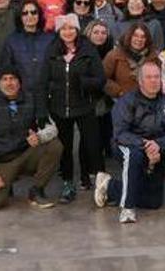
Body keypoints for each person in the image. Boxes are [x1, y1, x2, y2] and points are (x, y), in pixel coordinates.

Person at [93, 60, 165, 224]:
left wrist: (158, 146)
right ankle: (127, 208)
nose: (154, 81)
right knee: (133, 156)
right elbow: (120, 133)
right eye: (149, 77)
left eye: (156, 77)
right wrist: (145, 145)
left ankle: (109, 185)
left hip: (156, 150)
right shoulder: (127, 101)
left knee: (153, 202)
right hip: (128, 146)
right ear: (140, 81)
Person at [0, 67, 62, 210]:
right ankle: (7, 184)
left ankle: (36, 191)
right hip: (2, 160)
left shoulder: (32, 100)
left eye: (13, 79)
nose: (9, 83)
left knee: (54, 146)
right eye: (5, 79)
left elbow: (52, 129)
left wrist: (39, 137)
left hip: (25, 154)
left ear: (20, 82)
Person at [45, 14, 106, 201]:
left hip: (84, 105)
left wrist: (84, 83)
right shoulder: (52, 50)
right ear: (59, 31)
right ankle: (68, 183)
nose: (68, 32)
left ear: (78, 30)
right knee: (65, 147)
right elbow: (44, 78)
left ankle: (98, 182)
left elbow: (101, 79)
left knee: (92, 145)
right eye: (64, 28)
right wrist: (50, 92)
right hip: (59, 107)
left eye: (72, 28)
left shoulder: (88, 49)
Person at [6, 0, 53, 99]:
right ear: (20, 16)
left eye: (33, 12)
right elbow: (7, 69)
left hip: (47, 96)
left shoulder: (51, 39)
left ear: (39, 15)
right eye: (25, 13)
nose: (29, 16)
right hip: (21, 96)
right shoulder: (12, 41)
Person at [103, 23, 158, 107]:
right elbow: (103, 78)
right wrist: (119, 92)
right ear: (129, 37)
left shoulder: (153, 57)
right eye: (135, 36)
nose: (139, 39)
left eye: (143, 37)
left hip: (148, 104)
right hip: (121, 103)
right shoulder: (114, 55)